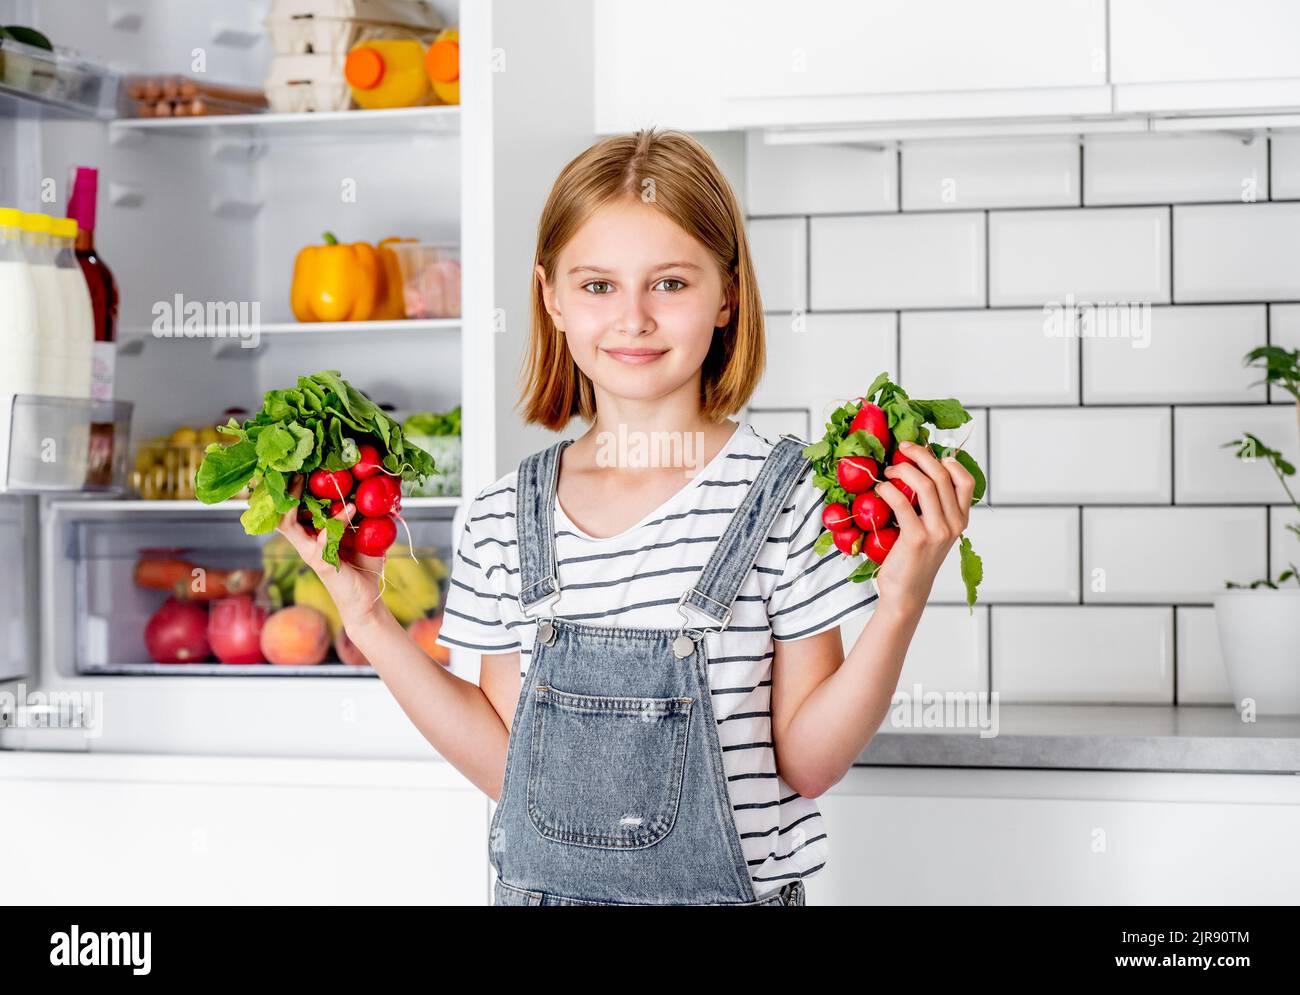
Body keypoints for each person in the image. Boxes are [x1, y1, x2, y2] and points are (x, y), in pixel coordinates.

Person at [275, 127, 975, 906]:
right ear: (551, 297)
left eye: (670, 283)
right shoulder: (504, 515)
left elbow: (807, 762)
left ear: (728, 293)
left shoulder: (792, 496)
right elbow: (512, 768)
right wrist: (367, 619)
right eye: (598, 285)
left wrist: (902, 603)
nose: (633, 317)